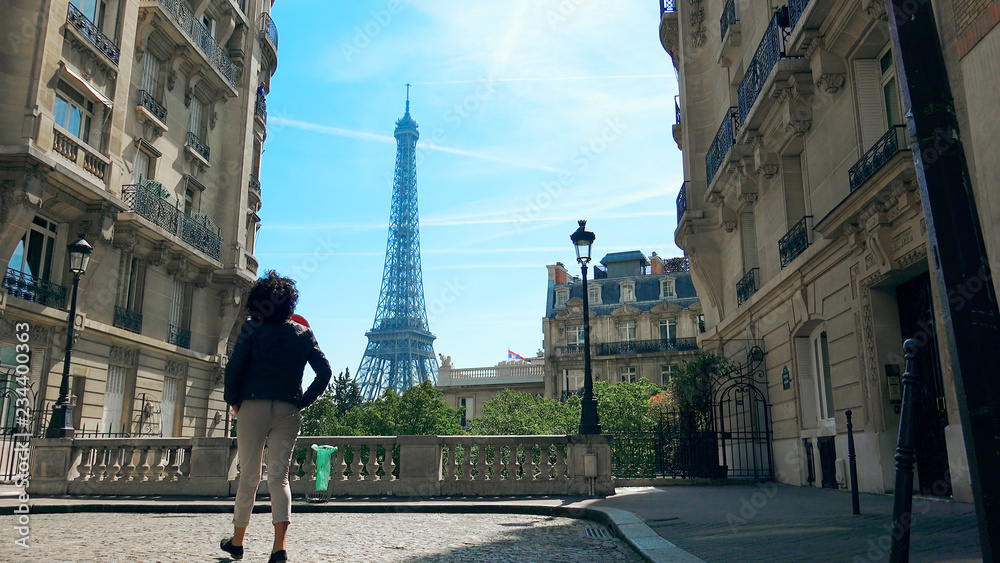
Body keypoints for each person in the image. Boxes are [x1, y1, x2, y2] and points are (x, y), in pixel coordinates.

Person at [220, 271, 332, 563]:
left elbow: (234, 368)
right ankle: (279, 547)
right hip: (287, 409)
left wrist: (233, 400)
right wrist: (303, 401)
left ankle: (238, 540)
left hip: (253, 406)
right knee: (279, 478)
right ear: (289, 304)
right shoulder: (303, 333)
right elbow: (325, 372)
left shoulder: (251, 329)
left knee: (249, 475)